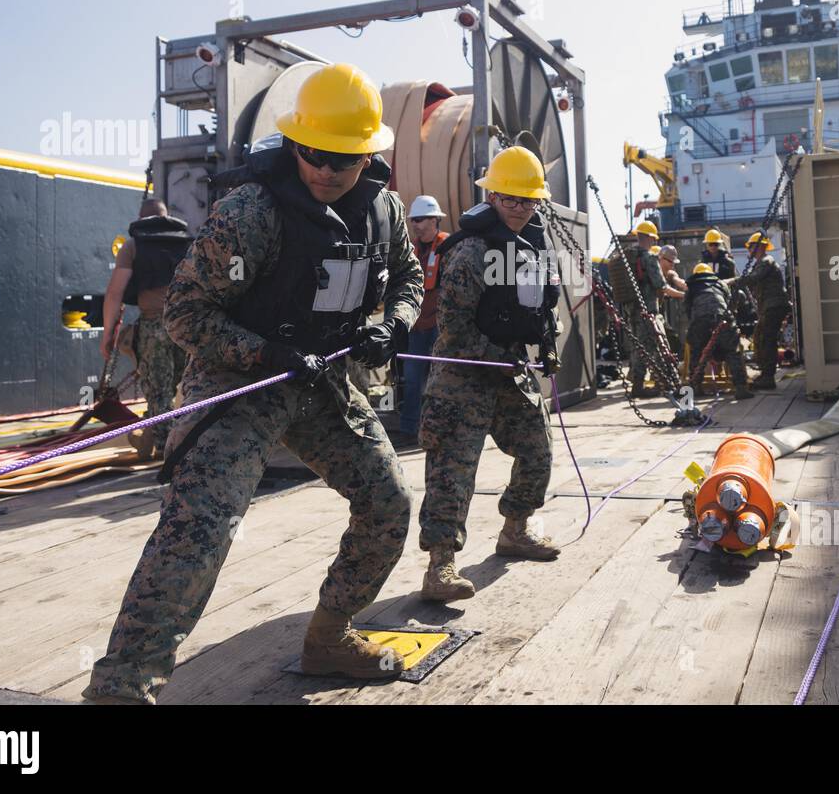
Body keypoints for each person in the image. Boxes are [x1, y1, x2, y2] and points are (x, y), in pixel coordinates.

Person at [83, 62, 423, 703]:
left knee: (388, 503)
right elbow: (183, 312)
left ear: (367, 154)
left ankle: (328, 636)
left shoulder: (384, 212)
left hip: (320, 382)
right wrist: (262, 352)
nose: (322, 170)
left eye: (339, 160)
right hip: (238, 383)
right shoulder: (251, 211)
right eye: (309, 153)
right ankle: (121, 688)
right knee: (198, 526)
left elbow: (407, 279)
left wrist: (396, 324)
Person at [418, 146, 562, 602]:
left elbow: (540, 307)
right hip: (463, 374)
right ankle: (440, 566)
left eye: (528, 199)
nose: (520, 207)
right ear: (493, 196)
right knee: (453, 470)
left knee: (537, 449)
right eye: (510, 198)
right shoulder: (471, 251)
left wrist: (548, 342)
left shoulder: (534, 247)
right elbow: (453, 326)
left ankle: (515, 529)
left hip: (509, 370)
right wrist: (495, 355)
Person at [100, 200, 190, 459]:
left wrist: (108, 335)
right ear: (166, 217)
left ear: (140, 219)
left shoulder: (133, 246)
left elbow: (114, 293)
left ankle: (168, 451)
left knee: (159, 392)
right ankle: (155, 438)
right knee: (174, 389)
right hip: (187, 327)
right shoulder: (188, 244)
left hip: (155, 326)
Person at [397, 194, 449, 447]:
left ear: (434, 220)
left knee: (440, 381)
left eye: (419, 220)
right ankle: (409, 430)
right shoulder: (412, 250)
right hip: (417, 327)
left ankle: (439, 430)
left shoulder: (449, 246)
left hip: (441, 328)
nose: (414, 225)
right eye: (413, 221)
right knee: (412, 379)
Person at [685, 262, 753, 399]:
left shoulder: (692, 287)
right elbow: (729, 303)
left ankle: (695, 387)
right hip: (723, 318)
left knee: (697, 352)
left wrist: (695, 327)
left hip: (700, 320)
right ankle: (740, 388)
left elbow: (687, 309)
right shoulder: (721, 284)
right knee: (732, 351)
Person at [732, 231, 789, 391]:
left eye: (750, 247)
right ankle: (765, 373)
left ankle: (768, 377)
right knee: (759, 336)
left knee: (767, 339)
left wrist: (736, 281)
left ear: (758, 247)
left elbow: (754, 278)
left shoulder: (766, 261)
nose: (749, 251)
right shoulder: (762, 263)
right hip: (769, 306)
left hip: (774, 305)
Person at [627, 220, 670, 397]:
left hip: (633, 310)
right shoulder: (649, 258)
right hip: (648, 310)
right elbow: (660, 284)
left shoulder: (629, 257)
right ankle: (650, 385)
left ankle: (639, 384)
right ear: (651, 238)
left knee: (639, 346)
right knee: (651, 347)